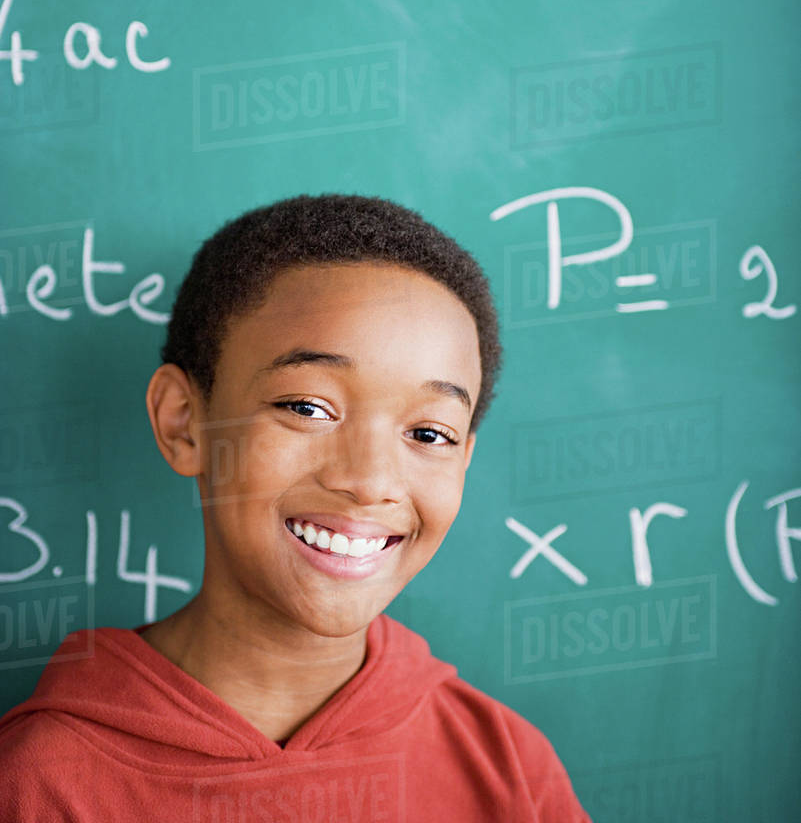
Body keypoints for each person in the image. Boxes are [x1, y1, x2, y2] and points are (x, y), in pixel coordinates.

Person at [0, 193, 591, 821]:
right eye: (307, 407)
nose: (370, 482)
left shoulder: (507, 768)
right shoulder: (43, 782)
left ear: (465, 456)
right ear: (184, 423)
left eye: (428, 434)